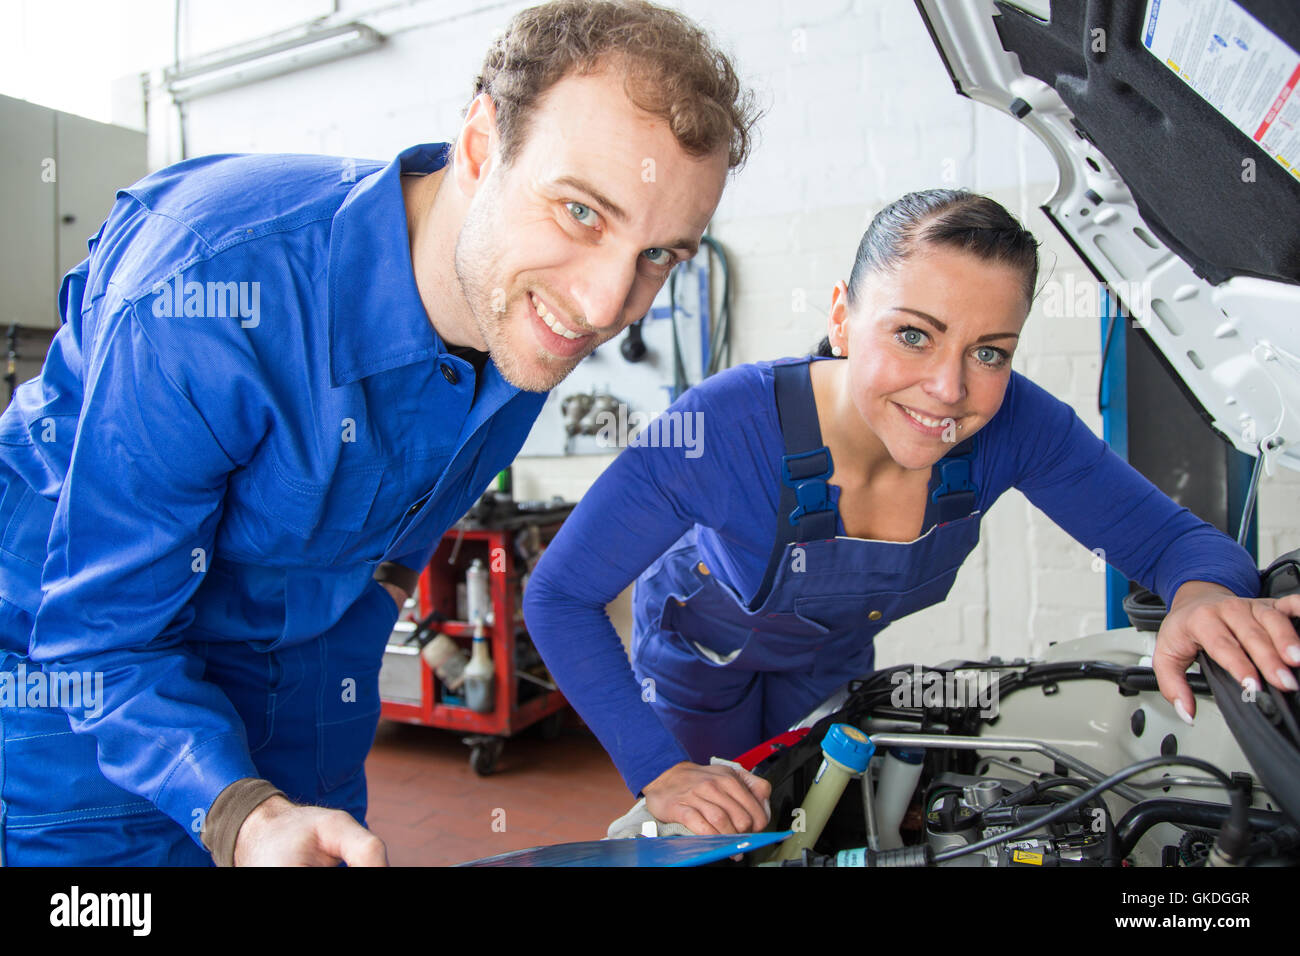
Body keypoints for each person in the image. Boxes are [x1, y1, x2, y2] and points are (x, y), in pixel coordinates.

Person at [0, 0, 757, 866]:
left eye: (660, 254)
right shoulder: (210, 292)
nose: (606, 305)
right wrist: (244, 811)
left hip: (301, 699)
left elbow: (404, 537)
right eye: (582, 212)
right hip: (77, 718)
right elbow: (100, 631)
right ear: (480, 147)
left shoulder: (522, 323)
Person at [523, 189, 1300, 837]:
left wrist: (1204, 598)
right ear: (841, 316)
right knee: (715, 838)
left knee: (821, 827)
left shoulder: (1017, 427)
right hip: (698, 671)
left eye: (990, 351)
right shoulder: (724, 431)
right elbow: (558, 595)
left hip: (828, 671)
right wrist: (659, 770)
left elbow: (1174, 543)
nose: (949, 390)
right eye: (913, 335)